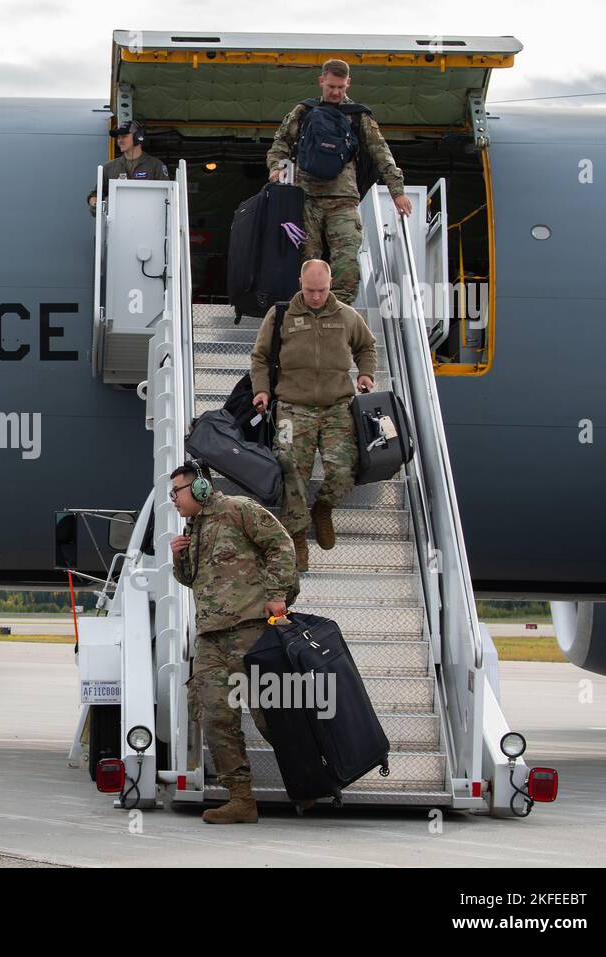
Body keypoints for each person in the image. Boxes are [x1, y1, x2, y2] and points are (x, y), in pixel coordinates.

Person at [169, 461, 299, 823]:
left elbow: (281, 545)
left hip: (251, 629)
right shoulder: (193, 530)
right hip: (211, 636)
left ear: (199, 489)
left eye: (176, 493)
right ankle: (241, 800)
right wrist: (178, 557)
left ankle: (313, 779)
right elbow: (191, 579)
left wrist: (276, 595)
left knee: (270, 716)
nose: (173, 501)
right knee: (214, 715)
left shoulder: (239, 510)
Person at [250, 259, 377, 570]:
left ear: (330, 284)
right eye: (310, 290)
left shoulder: (347, 316)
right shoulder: (281, 315)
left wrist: (366, 374)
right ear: (300, 283)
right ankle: (296, 537)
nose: (316, 296)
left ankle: (323, 506)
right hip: (292, 407)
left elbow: (367, 347)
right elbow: (261, 357)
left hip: (336, 407)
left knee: (344, 467)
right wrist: (261, 390)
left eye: (321, 290)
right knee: (290, 467)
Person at [265, 58, 411, 304]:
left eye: (341, 87)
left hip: (343, 200)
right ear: (321, 81)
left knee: (346, 260)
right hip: (306, 198)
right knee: (306, 259)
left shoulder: (357, 116)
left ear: (348, 84)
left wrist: (397, 191)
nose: (335, 92)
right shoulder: (304, 111)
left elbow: (381, 152)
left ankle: (340, 312)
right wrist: (277, 167)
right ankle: (304, 309)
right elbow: (280, 144)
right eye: (331, 86)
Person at [87, 120, 170, 212]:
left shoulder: (156, 165)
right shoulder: (109, 167)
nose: (119, 141)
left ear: (137, 138)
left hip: (150, 221)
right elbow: (97, 194)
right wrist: (95, 203)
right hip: (118, 223)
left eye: (124, 136)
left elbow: (167, 195)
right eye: (118, 137)